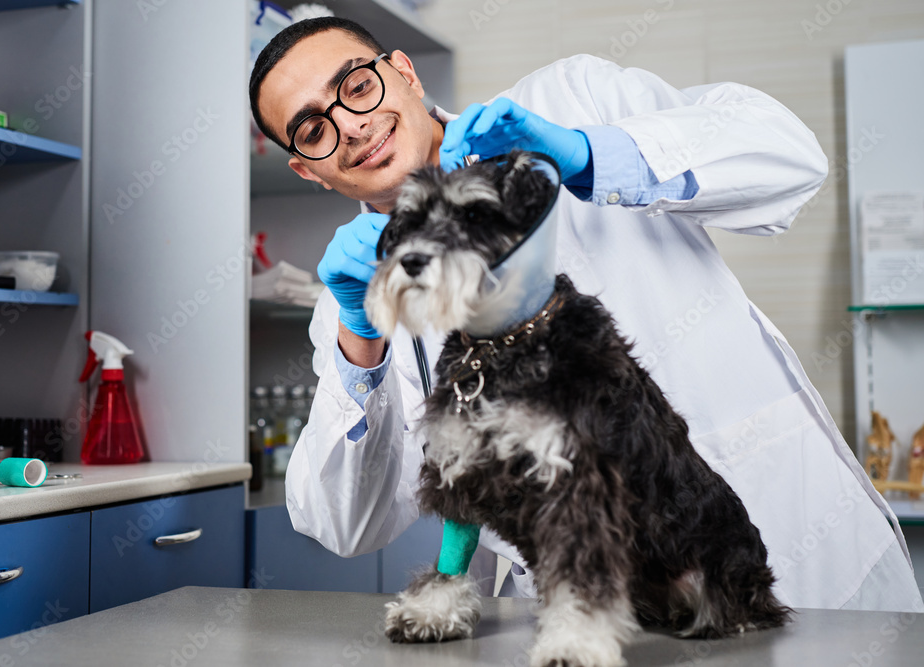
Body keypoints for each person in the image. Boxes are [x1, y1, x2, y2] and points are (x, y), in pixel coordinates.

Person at [249, 17, 923, 611]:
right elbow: (344, 524)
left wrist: (590, 154)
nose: (350, 124)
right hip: (576, 608)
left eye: (357, 86)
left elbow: (792, 159)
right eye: (312, 128)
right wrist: (359, 334)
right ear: (309, 170)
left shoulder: (572, 100)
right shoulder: (353, 301)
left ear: (403, 72)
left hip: (784, 545)